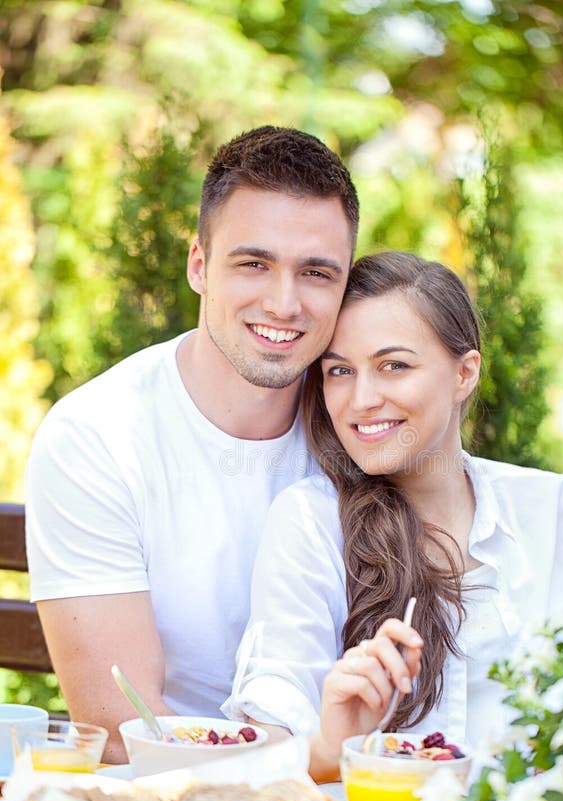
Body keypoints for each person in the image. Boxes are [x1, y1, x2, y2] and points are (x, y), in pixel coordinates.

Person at [223, 251, 563, 782]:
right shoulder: (311, 522)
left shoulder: (546, 507)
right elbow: (271, 735)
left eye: (394, 365)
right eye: (340, 371)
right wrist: (333, 745)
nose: (362, 399)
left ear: (464, 373)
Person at [25, 126, 359, 761]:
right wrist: (301, 763)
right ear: (199, 266)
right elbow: (121, 725)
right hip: (167, 796)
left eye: (317, 273)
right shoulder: (97, 436)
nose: (284, 303)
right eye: (253, 264)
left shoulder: (365, 431)